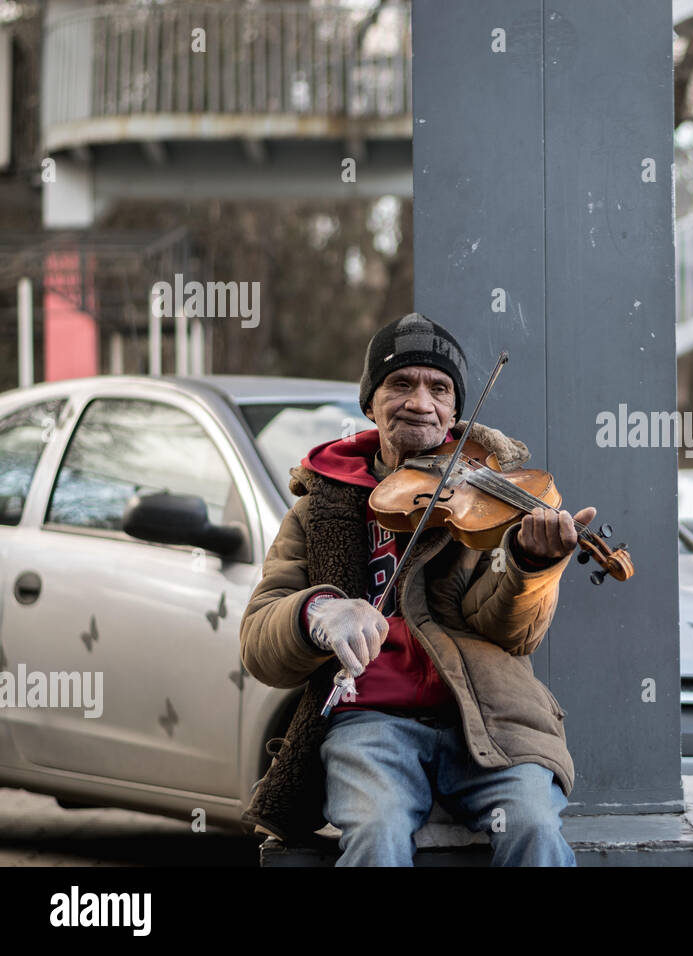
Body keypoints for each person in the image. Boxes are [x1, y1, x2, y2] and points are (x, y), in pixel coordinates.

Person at [239, 312, 590, 866]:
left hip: (490, 717)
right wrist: (319, 611)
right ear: (370, 402)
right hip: (371, 722)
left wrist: (529, 564)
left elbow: (506, 631)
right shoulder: (320, 509)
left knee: (534, 828)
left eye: (439, 388)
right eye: (401, 383)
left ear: (455, 409)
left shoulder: (487, 497)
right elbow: (260, 644)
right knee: (376, 832)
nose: (421, 402)